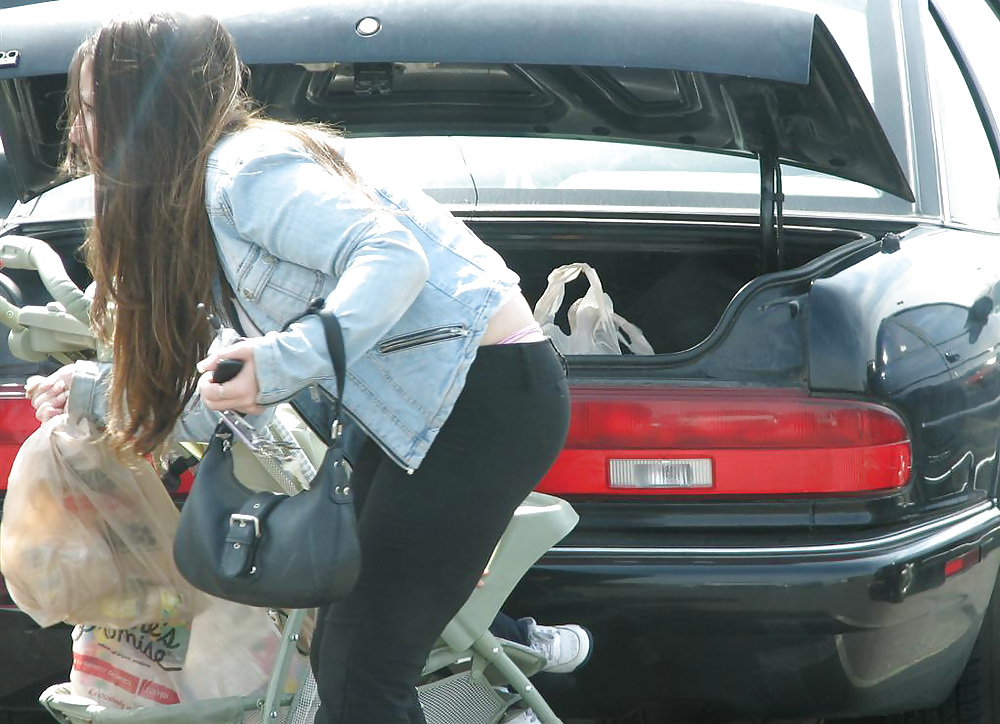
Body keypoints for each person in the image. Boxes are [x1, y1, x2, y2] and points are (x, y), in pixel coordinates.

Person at [26, 11, 577, 724]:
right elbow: (228, 385)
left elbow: (391, 255)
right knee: (349, 655)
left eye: (93, 110)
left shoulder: (243, 172)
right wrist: (97, 393)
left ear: (148, 108)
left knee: (359, 666)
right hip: (427, 407)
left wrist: (288, 356)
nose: (75, 133)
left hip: (483, 399)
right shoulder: (195, 199)